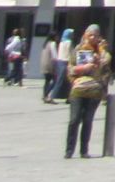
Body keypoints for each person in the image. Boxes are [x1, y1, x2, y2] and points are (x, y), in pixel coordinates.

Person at [65, 24, 110, 158]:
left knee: (88, 120)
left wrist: (101, 54)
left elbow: (106, 69)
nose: (93, 38)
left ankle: (84, 150)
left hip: (94, 90)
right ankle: (69, 150)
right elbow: (70, 68)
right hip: (79, 89)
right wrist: (75, 77)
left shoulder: (101, 52)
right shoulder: (78, 50)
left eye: (96, 36)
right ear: (85, 35)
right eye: (90, 35)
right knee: (74, 119)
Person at [39, 33, 60, 102]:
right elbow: (54, 56)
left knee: (47, 81)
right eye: (57, 36)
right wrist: (58, 64)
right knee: (55, 80)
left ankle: (45, 96)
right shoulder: (52, 43)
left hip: (44, 64)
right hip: (50, 64)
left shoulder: (45, 44)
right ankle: (46, 95)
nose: (57, 38)